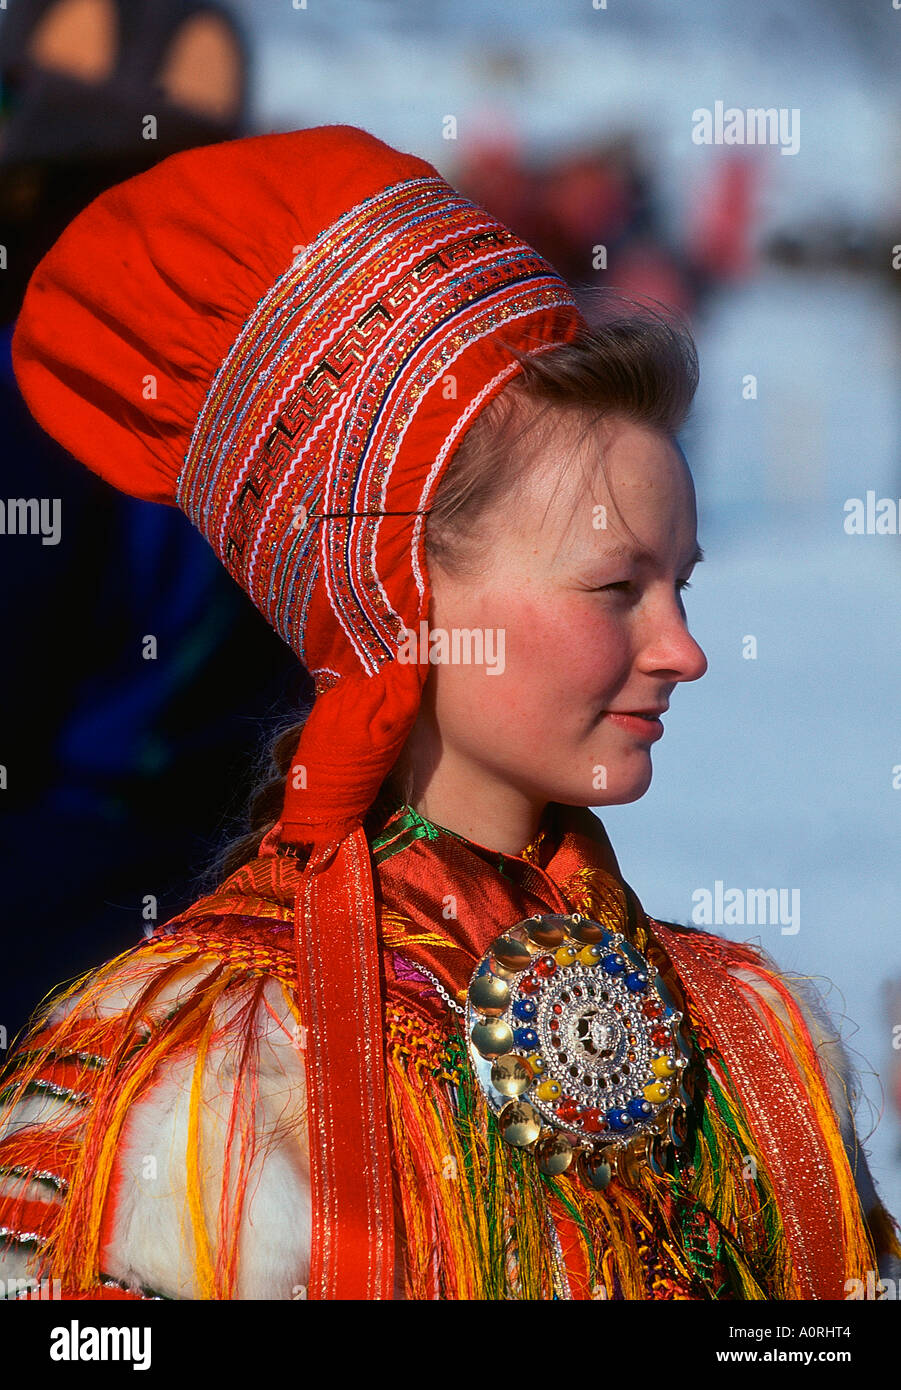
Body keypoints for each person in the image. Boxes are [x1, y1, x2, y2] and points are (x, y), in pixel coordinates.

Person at [0, 123, 898, 1302]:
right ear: (398, 593)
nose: (681, 650)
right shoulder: (175, 1084)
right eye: (614, 588)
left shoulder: (753, 1035)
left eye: (683, 584)